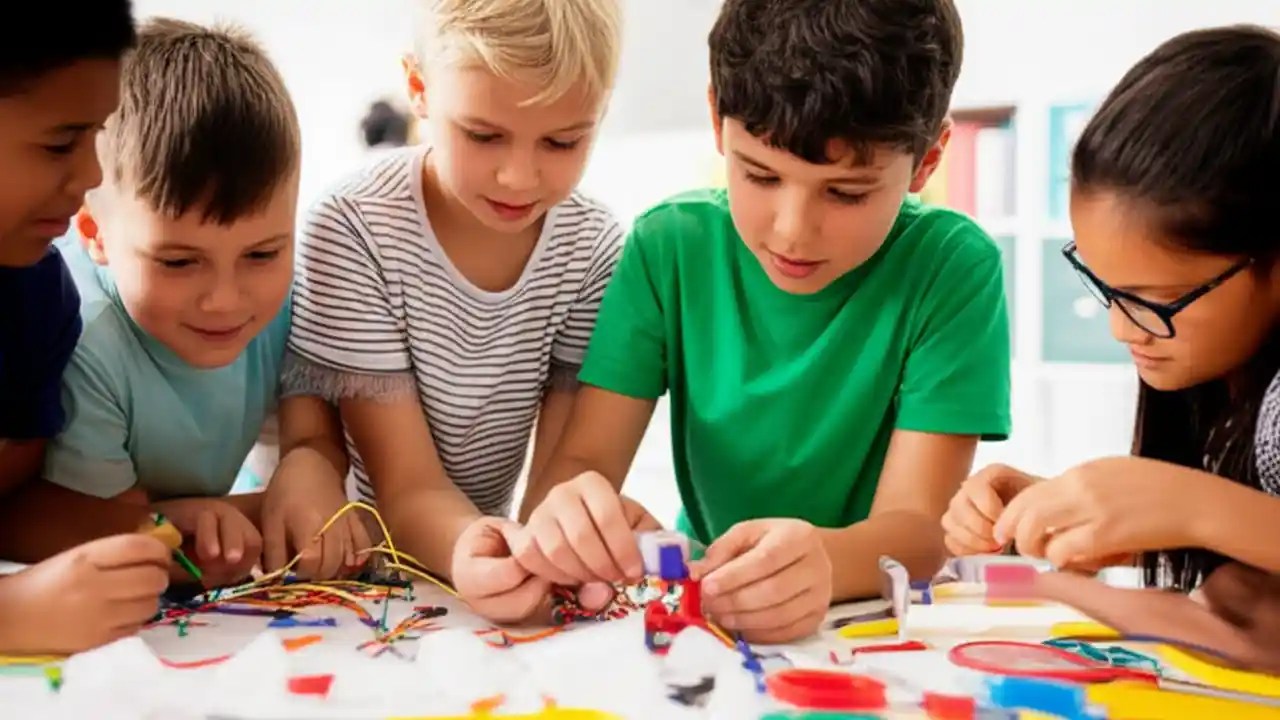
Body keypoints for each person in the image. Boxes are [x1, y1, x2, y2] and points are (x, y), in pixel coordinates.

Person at [466, 0, 1013, 643]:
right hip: (710, 607)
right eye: (760, 174)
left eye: (846, 192)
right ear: (717, 121)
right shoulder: (669, 246)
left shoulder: (951, 268)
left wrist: (827, 564)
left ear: (929, 159)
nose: (792, 231)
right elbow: (581, 462)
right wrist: (572, 518)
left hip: (869, 621)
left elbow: (920, 530)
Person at [0, 19, 368, 588]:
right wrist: (246, 520)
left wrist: (309, 465)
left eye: (263, 253)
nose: (225, 301)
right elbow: (123, 532)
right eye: (177, 262)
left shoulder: (294, 303)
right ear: (94, 233)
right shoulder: (86, 337)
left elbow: (312, 436)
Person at [282, 0, 625, 599]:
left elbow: (555, 486)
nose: (519, 177)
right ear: (419, 88)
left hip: (477, 569)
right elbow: (405, 488)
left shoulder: (592, 248)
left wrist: (552, 554)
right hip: (347, 578)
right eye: (483, 135)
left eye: (563, 141)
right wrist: (488, 552)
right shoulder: (355, 228)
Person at [942, 26, 1280, 593]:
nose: (1122, 327)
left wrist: (1191, 506)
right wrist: (1105, 519)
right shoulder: (1225, 385)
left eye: (1160, 300)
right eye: (1110, 287)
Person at [0, 0, 173, 655]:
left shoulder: (37, 298)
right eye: (58, 143)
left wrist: (147, 532)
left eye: (97, 134)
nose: (94, 176)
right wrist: (11, 614)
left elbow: (9, 504)